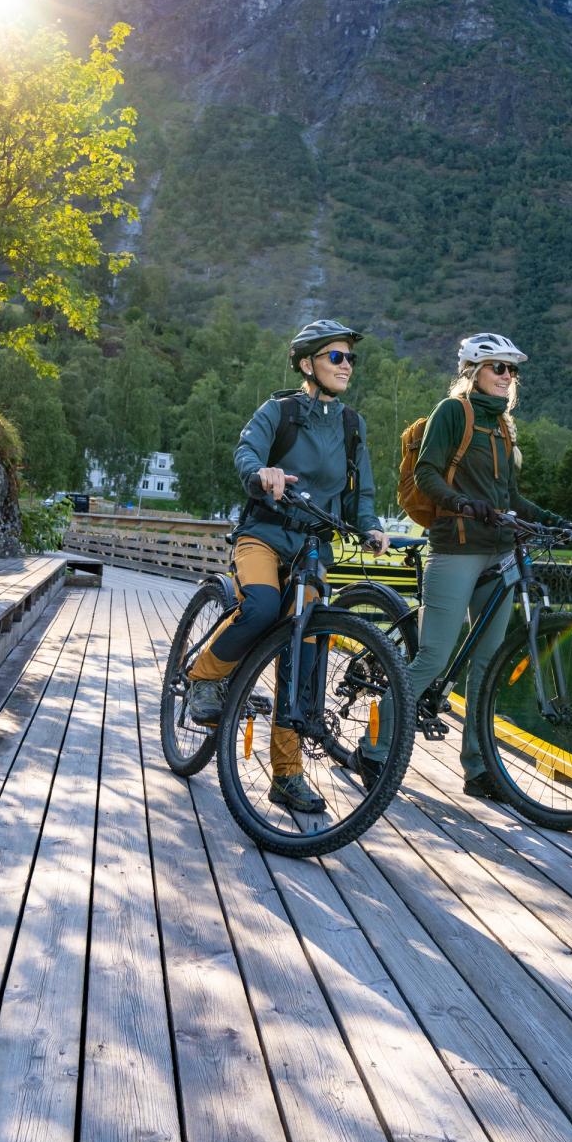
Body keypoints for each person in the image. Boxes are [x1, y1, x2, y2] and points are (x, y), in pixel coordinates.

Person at [186, 318, 390, 813]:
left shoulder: (351, 424)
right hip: (265, 535)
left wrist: (371, 526)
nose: (346, 366)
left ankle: (286, 775)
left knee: (306, 657)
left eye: (350, 358)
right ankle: (204, 676)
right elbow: (246, 453)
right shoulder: (279, 411)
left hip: (313, 549)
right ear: (307, 364)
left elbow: (359, 491)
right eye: (335, 357)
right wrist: (263, 473)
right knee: (260, 607)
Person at [368, 330, 572, 798]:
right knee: (434, 657)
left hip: (499, 551)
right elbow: (427, 473)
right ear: (473, 372)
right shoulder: (453, 412)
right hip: (457, 546)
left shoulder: (503, 428)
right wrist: (463, 504)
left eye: (511, 369)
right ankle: (374, 746)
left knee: (489, 664)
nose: (507, 376)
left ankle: (478, 769)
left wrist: (554, 520)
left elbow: (511, 498)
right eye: (498, 367)